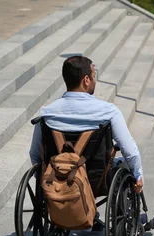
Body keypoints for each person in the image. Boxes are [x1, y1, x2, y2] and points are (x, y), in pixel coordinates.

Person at [29, 55, 144, 194]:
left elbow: (35, 155)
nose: (94, 81)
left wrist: (43, 178)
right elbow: (130, 150)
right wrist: (138, 176)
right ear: (86, 80)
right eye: (94, 76)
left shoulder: (47, 114)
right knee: (125, 165)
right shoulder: (108, 112)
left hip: (56, 179)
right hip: (97, 181)